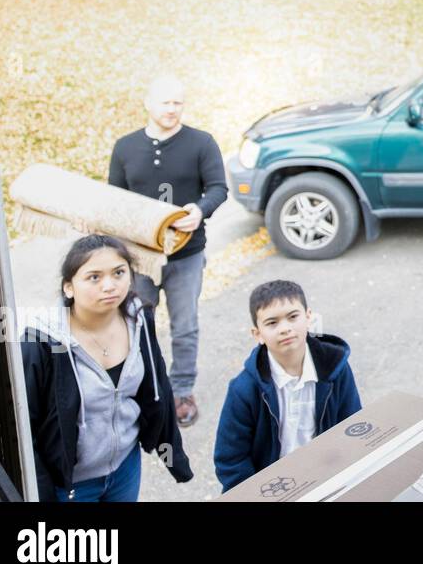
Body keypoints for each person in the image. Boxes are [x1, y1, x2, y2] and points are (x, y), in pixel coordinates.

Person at [21, 234, 193, 501]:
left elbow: (158, 387)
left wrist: (175, 458)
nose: (110, 285)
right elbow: (26, 431)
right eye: (94, 277)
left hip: (126, 468)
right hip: (71, 487)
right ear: (69, 287)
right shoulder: (41, 343)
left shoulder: (139, 319)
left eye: (119, 273)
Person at [109, 73, 227, 428]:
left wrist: (200, 210)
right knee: (137, 325)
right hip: (140, 258)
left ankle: (182, 391)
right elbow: (115, 199)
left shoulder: (201, 143)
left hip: (187, 254)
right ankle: (145, 389)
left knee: (185, 326)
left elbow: (219, 188)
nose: (172, 109)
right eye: (165, 102)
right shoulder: (125, 147)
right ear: (148, 103)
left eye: (178, 103)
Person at [213, 280, 363, 492]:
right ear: (258, 334)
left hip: (327, 478)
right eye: (272, 323)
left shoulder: (335, 368)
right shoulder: (244, 389)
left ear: (308, 317)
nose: (285, 329)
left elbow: (352, 426)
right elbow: (230, 459)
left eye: (293, 317)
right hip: (272, 490)